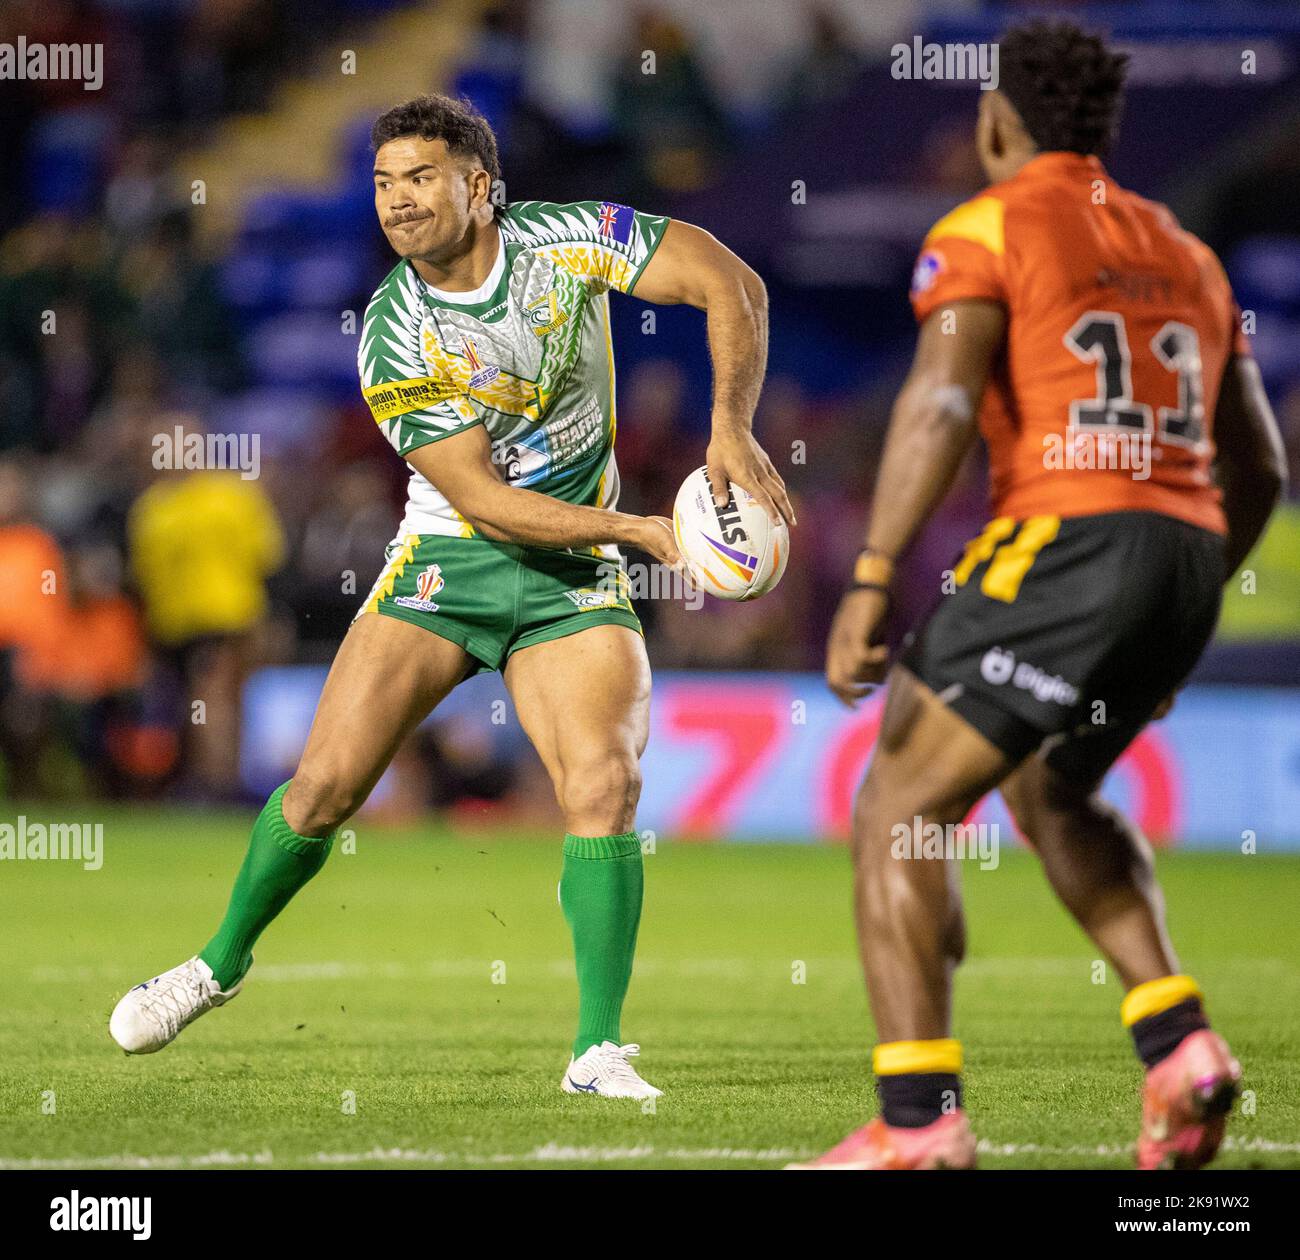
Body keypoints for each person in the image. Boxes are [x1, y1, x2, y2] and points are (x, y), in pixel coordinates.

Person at [110, 92, 792, 1099]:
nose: (399, 202)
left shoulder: (565, 241)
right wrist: (648, 531)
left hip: (572, 578)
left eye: (421, 177)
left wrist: (729, 426)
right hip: (450, 558)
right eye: (384, 184)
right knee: (322, 792)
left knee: (603, 787)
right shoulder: (393, 329)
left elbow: (730, 284)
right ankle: (216, 963)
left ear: (480, 185)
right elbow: (486, 501)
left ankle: (595, 1048)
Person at [799, 21, 1286, 1169]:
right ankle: (1179, 1047)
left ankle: (917, 1127)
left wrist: (871, 576)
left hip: (1065, 537)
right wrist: (1173, 603)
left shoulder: (986, 225)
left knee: (897, 807)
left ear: (995, 121)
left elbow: (937, 403)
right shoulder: (1188, 254)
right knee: (1053, 794)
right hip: (1183, 555)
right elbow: (1258, 463)